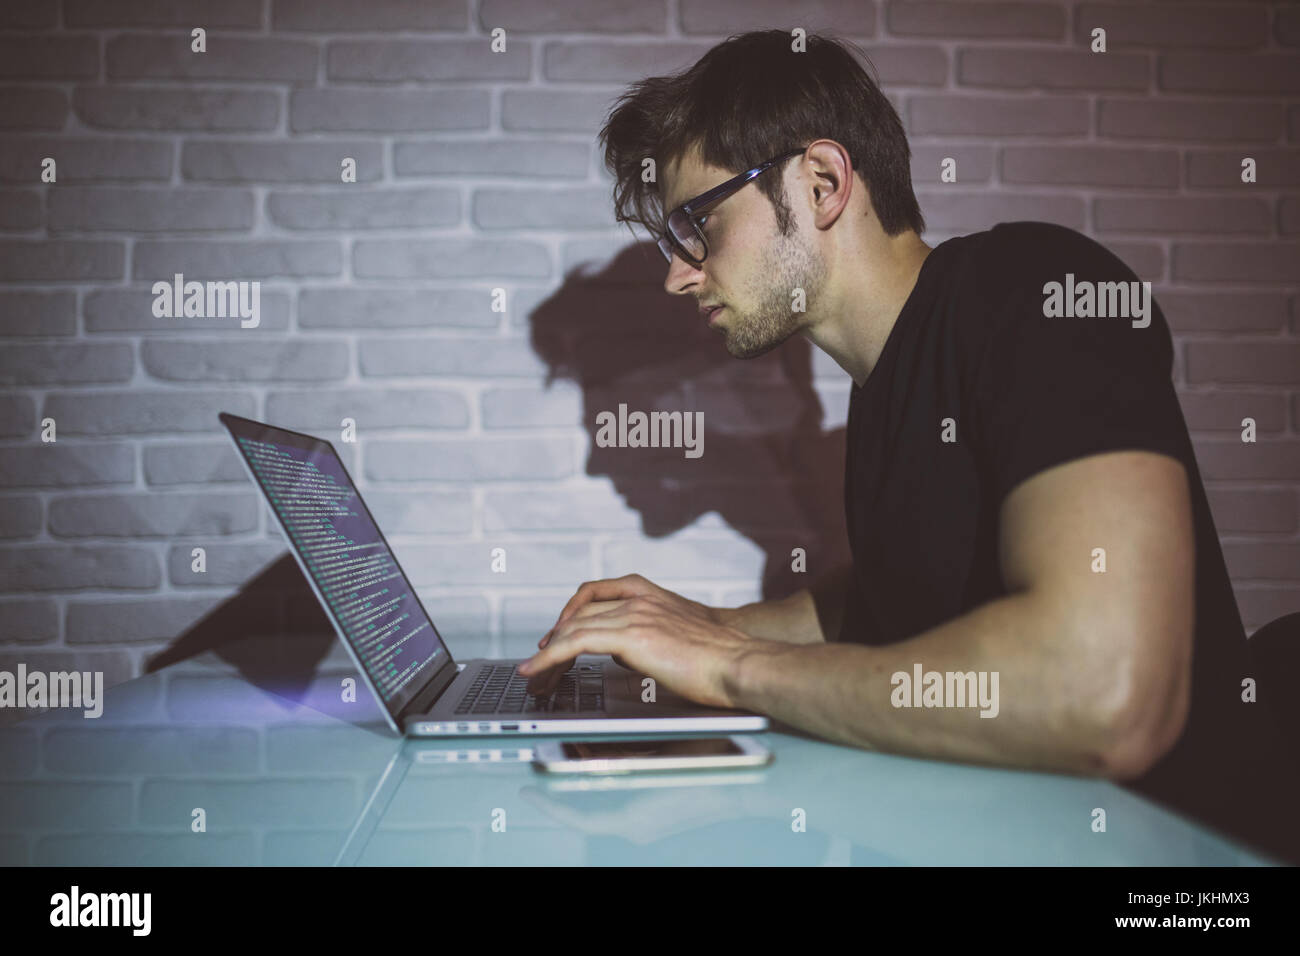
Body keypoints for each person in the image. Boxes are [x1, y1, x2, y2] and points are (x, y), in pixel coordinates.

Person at [517, 30, 1300, 864]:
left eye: (696, 224)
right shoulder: (884, 387)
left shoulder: (1035, 289)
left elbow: (1102, 691)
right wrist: (694, 626)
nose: (679, 273)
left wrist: (730, 665)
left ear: (820, 183)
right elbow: (910, 591)